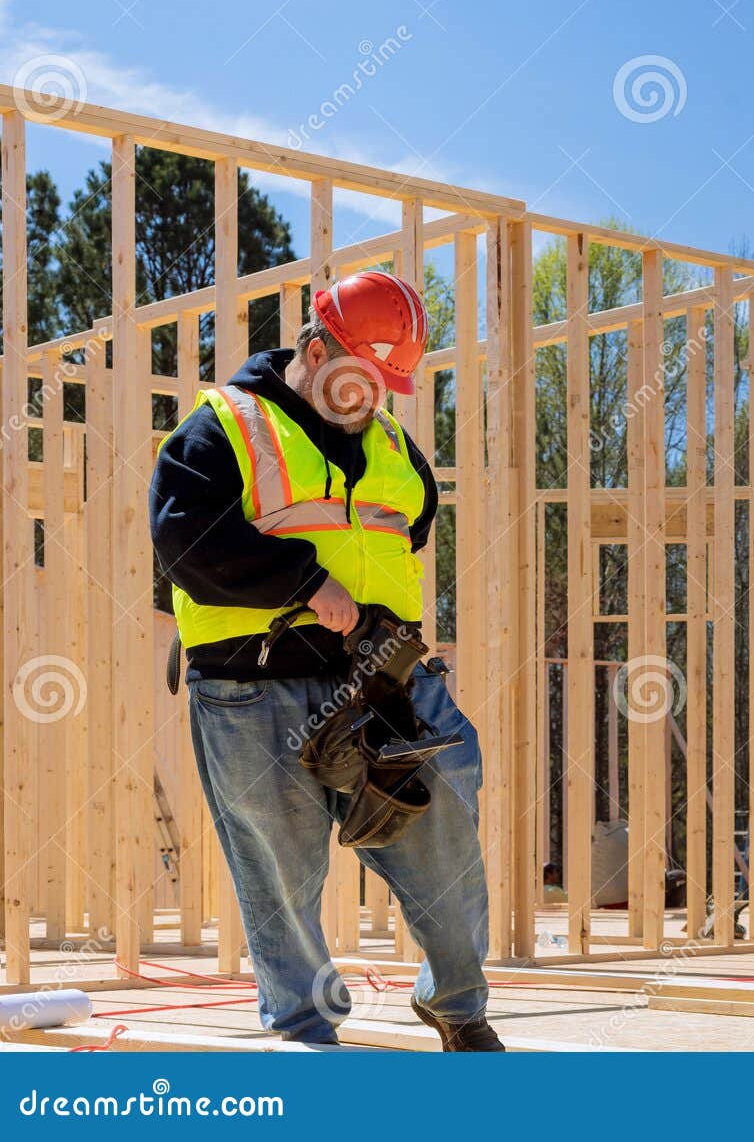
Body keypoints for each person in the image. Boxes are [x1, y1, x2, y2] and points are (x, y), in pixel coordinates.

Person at [149, 271, 501, 1050]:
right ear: (314, 349)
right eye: (361, 380)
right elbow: (184, 542)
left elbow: (405, 534)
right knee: (280, 873)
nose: (373, 399)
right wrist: (305, 583)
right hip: (251, 685)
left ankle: (458, 1004)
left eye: (387, 385)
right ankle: (308, 1031)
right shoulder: (221, 430)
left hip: (378, 681)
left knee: (443, 822)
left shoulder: (394, 449)